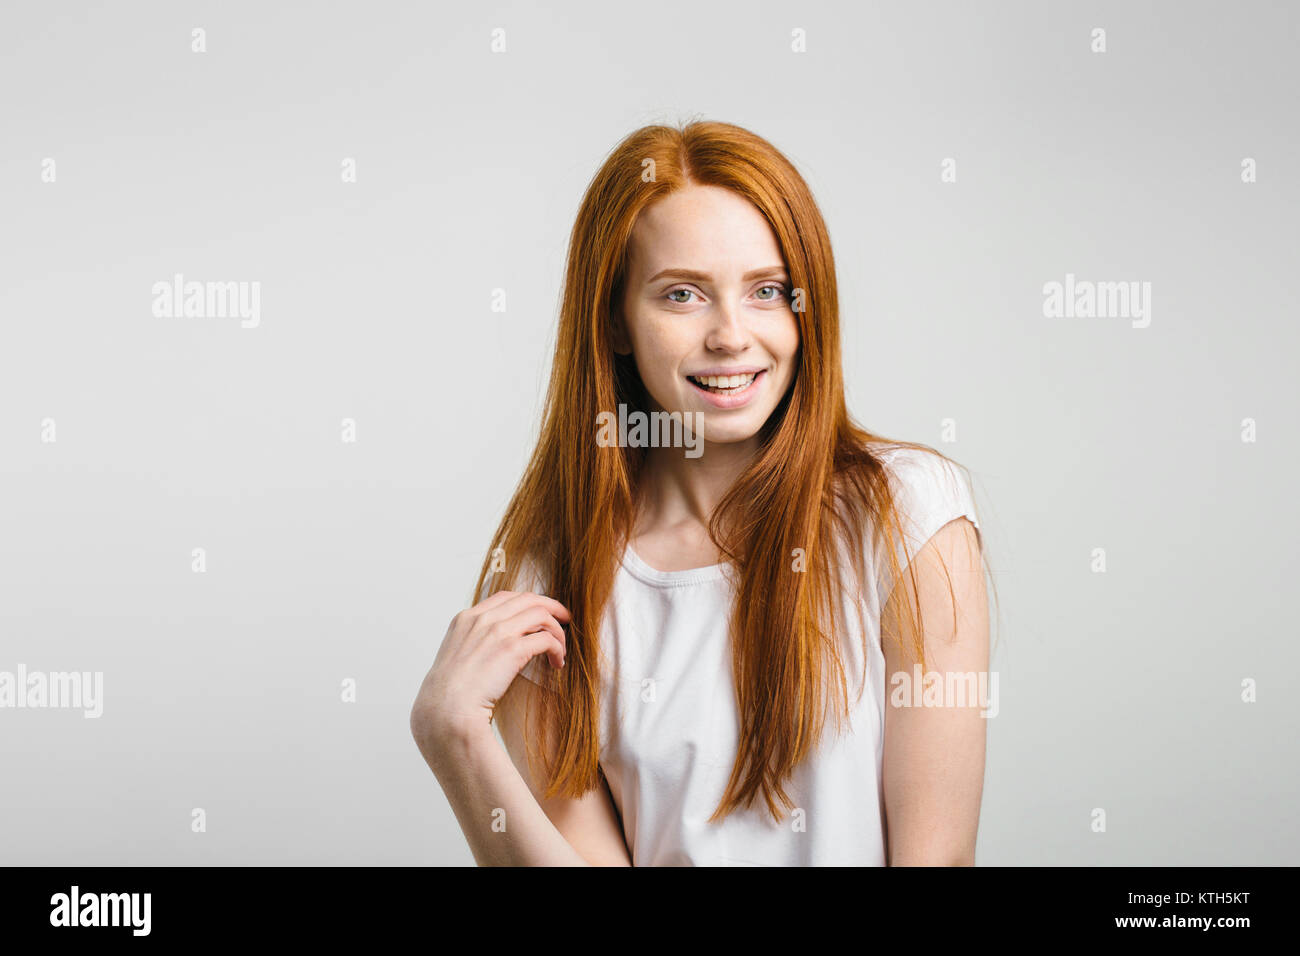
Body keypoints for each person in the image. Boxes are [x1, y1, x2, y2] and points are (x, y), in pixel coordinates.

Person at [410, 119, 992, 866]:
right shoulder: (551, 585)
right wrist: (453, 735)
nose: (730, 336)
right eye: (682, 295)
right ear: (616, 320)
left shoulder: (910, 517)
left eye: (767, 292)